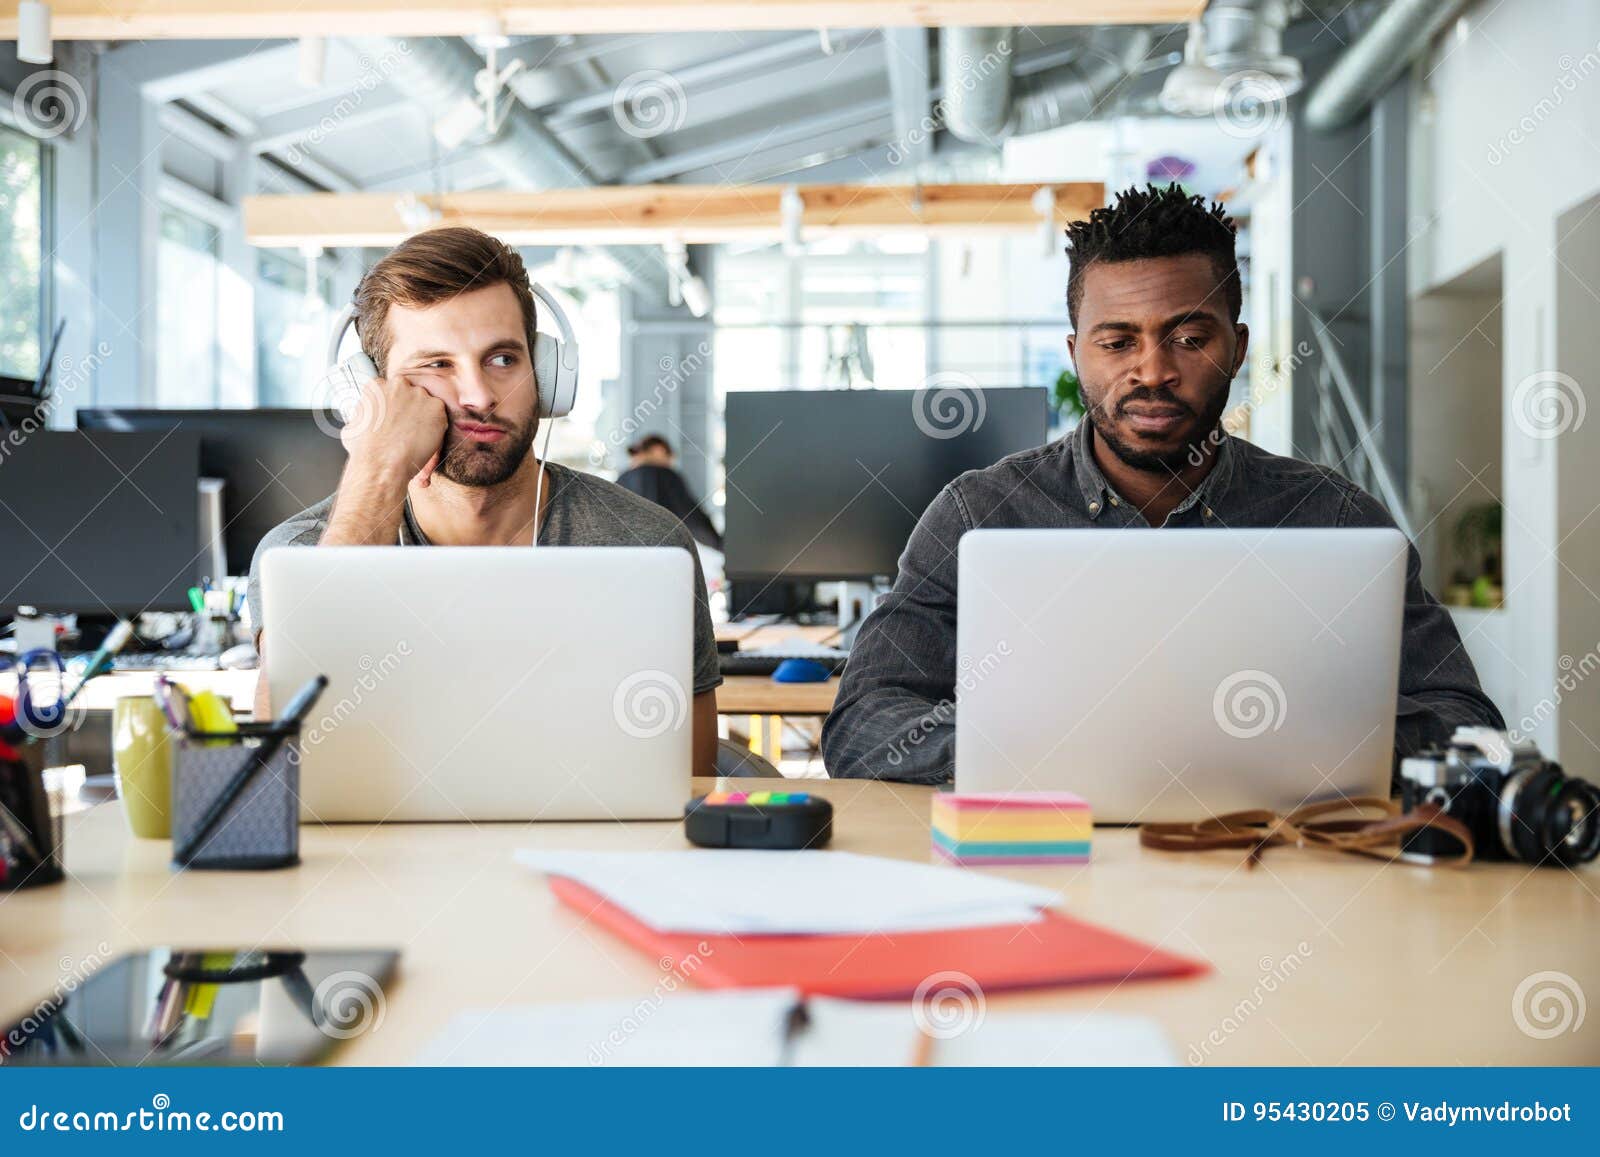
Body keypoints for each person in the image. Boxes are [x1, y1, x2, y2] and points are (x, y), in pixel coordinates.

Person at [821, 183, 1503, 785]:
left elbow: (1466, 722)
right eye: (1118, 342)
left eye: (1188, 338)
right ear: (1077, 354)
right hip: (1045, 862)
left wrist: (1295, 743)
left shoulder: (1334, 519)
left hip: (1269, 864)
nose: (1152, 372)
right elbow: (863, 723)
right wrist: (1045, 751)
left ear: (1237, 347)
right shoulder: (979, 515)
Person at [247, 227, 721, 772]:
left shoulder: (645, 543)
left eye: (501, 359)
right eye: (437, 365)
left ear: (544, 373)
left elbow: (689, 783)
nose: (478, 396)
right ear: (369, 392)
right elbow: (288, 768)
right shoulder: (301, 555)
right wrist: (377, 468)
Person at [614, 434, 724, 552]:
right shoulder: (666, 476)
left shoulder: (621, 480)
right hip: (662, 553)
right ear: (658, 450)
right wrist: (720, 544)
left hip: (625, 554)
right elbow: (692, 517)